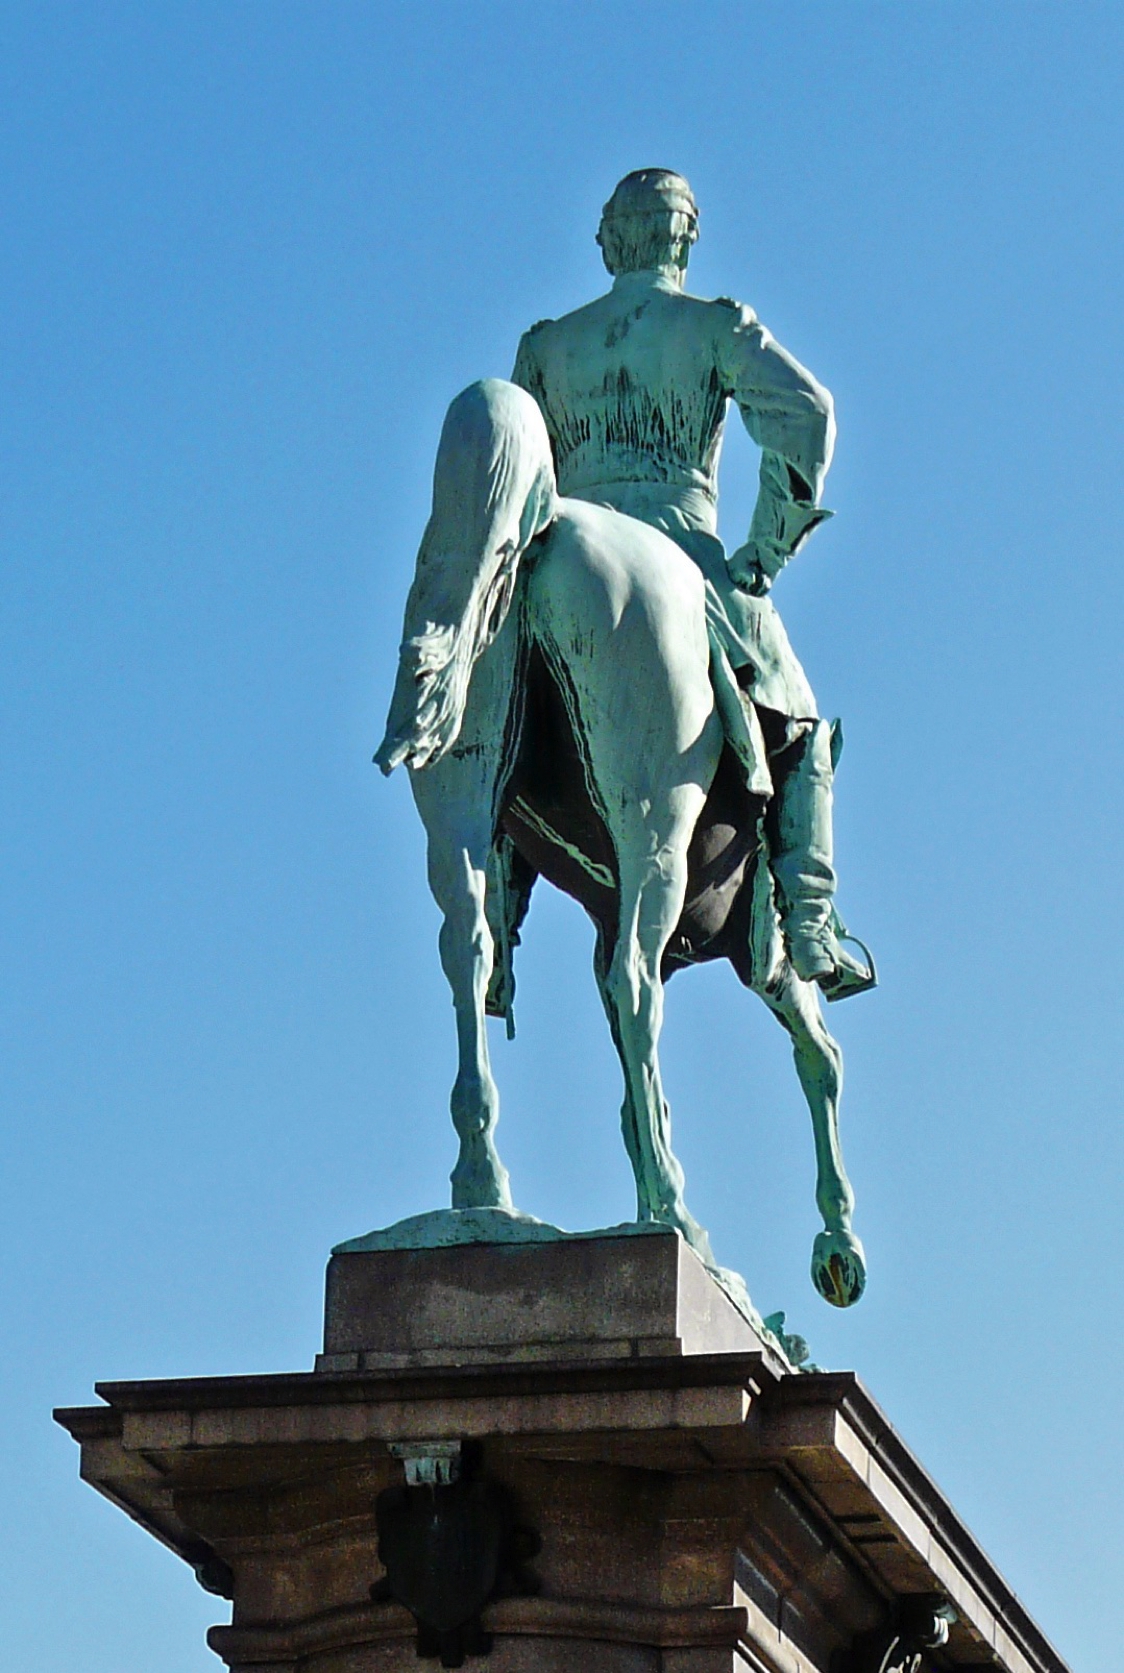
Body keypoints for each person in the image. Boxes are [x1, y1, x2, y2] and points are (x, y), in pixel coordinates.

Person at [511, 168, 872, 999]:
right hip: (682, 550)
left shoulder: (546, 347)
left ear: (608, 242)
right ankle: (810, 918)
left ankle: (500, 903)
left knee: (501, 690)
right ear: (686, 239)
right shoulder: (712, 326)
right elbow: (809, 412)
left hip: (556, 553)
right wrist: (767, 545)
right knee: (798, 719)